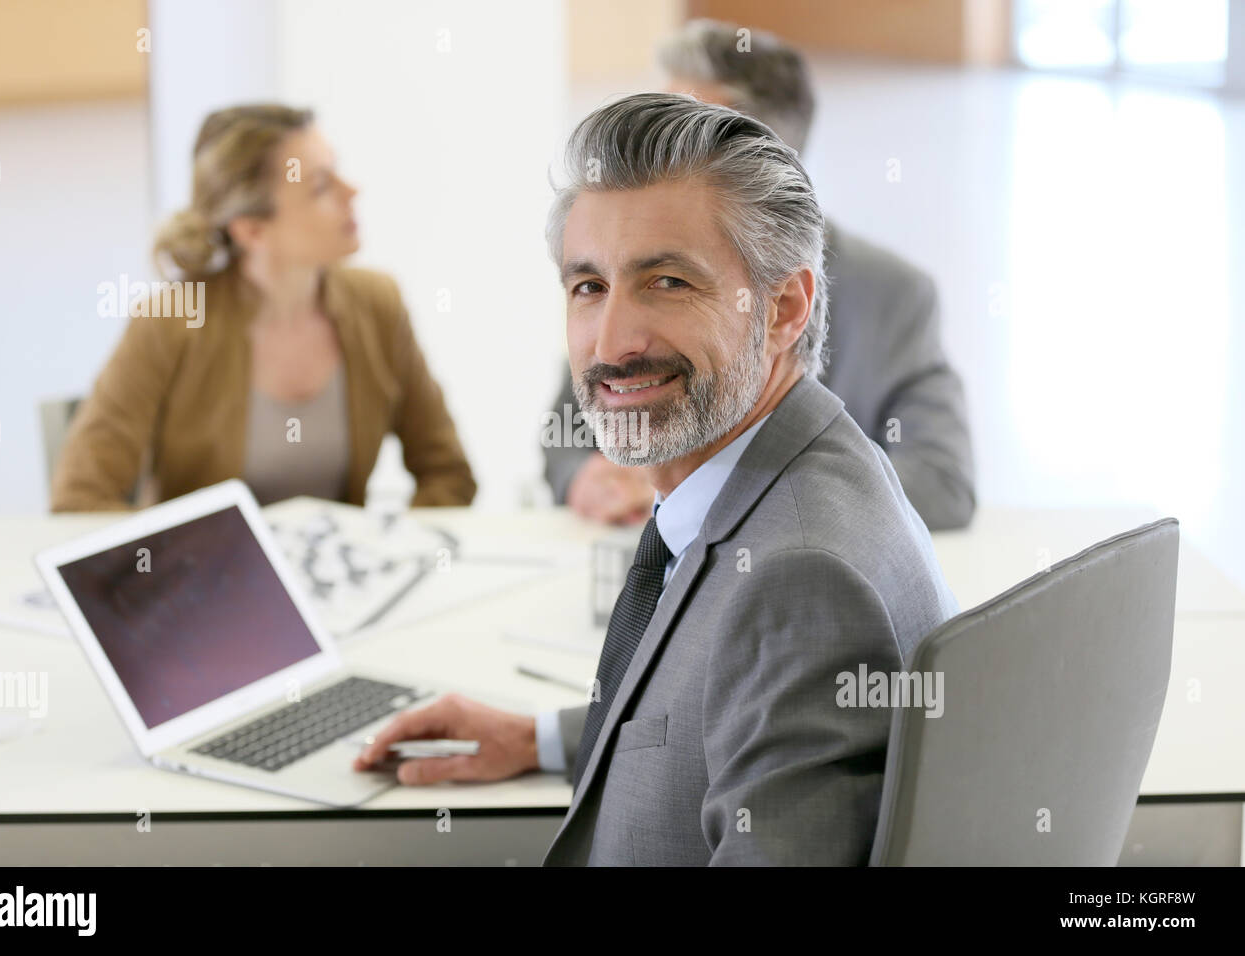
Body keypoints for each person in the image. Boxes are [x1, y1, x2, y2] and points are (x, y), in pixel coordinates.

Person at [355, 94, 959, 865]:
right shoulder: (793, 468)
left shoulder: (801, 581)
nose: (612, 343)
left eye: (667, 283)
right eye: (588, 287)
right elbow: (729, 705)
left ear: (784, 308)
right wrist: (541, 737)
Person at [544, 19, 975, 531]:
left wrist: (719, 482)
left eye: (683, 138)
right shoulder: (620, 281)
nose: (647, 159)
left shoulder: (893, 293)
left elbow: (943, 479)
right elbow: (568, 431)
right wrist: (586, 479)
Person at [51, 104, 475, 511]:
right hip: (210, 581)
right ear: (252, 230)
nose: (353, 191)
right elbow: (81, 496)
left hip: (337, 580)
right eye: (321, 186)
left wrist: (387, 551)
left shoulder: (378, 304)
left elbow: (448, 474)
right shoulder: (171, 321)